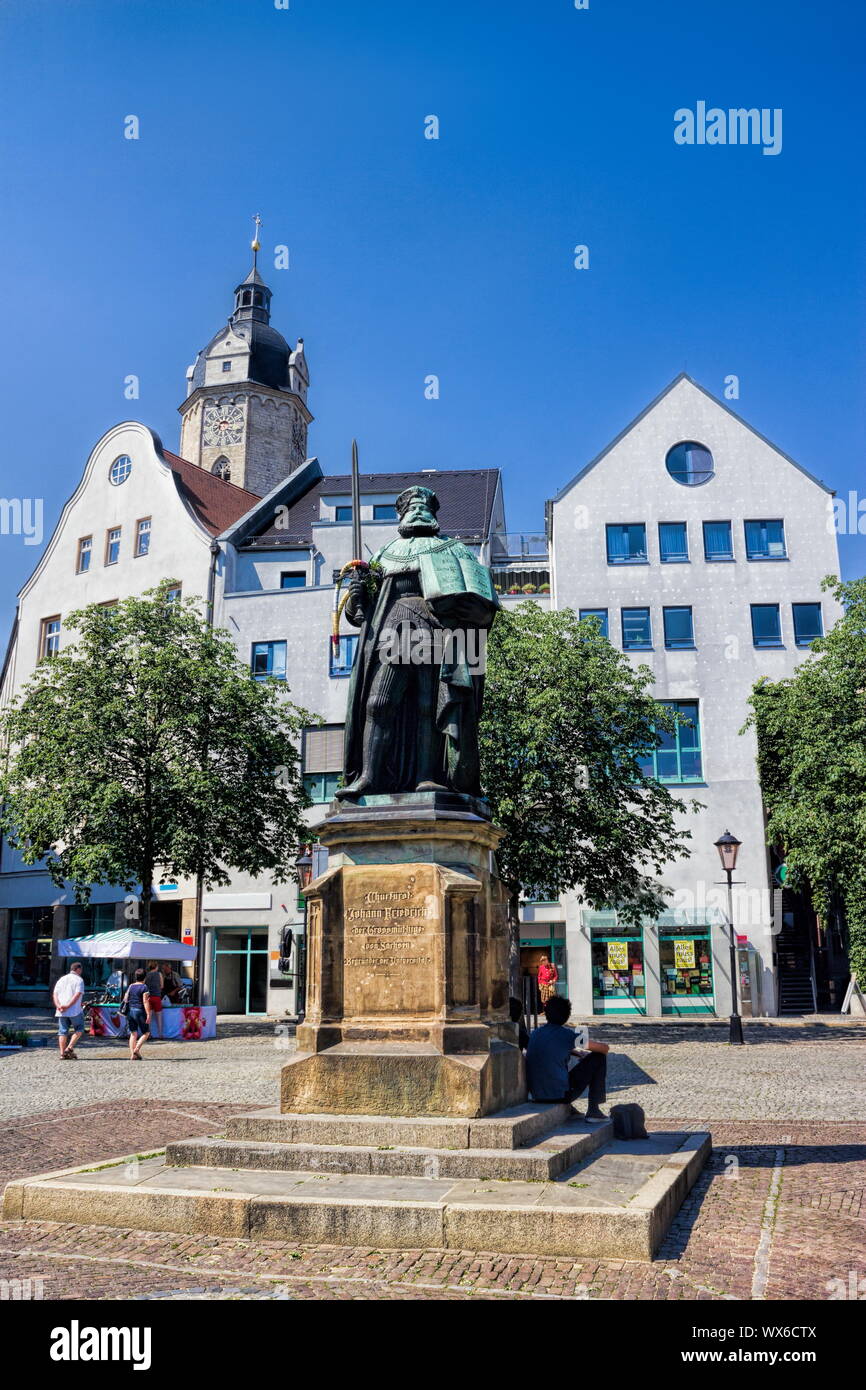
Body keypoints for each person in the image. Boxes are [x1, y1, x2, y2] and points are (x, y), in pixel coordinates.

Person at [525, 995, 609, 1122]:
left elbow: (552, 1048)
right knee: (598, 1058)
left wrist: (577, 1053)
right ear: (566, 1015)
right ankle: (594, 1110)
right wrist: (584, 1053)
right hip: (559, 1095)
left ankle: (573, 1108)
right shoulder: (567, 1035)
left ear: (546, 1014)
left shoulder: (535, 1033)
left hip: (537, 1094)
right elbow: (603, 1049)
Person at [53, 961, 85, 1060]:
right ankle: (69, 1047)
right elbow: (77, 994)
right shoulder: (79, 980)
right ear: (78, 969)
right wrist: (68, 1006)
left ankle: (62, 1054)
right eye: (81, 970)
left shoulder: (61, 979)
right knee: (79, 1029)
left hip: (61, 1011)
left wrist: (58, 1005)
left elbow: (55, 994)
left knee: (62, 1032)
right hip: (74, 1010)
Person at [123, 968, 150, 1060]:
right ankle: (137, 1049)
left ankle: (133, 1055)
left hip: (131, 1011)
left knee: (133, 1033)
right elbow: (145, 1001)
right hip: (140, 1011)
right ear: (145, 977)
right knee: (146, 1033)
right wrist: (148, 1014)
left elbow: (126, 999)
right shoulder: (144, 987)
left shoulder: (131, 986)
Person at [144, 960, 164, 1040]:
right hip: (157, 997)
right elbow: (162, 986)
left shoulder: (147, 975)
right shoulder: (159, 974)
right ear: (156, 967)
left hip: (149, 997)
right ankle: (160, 1034)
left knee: (149, 1017)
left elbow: (144, 985)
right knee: (159, 1017)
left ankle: (149, 1034)